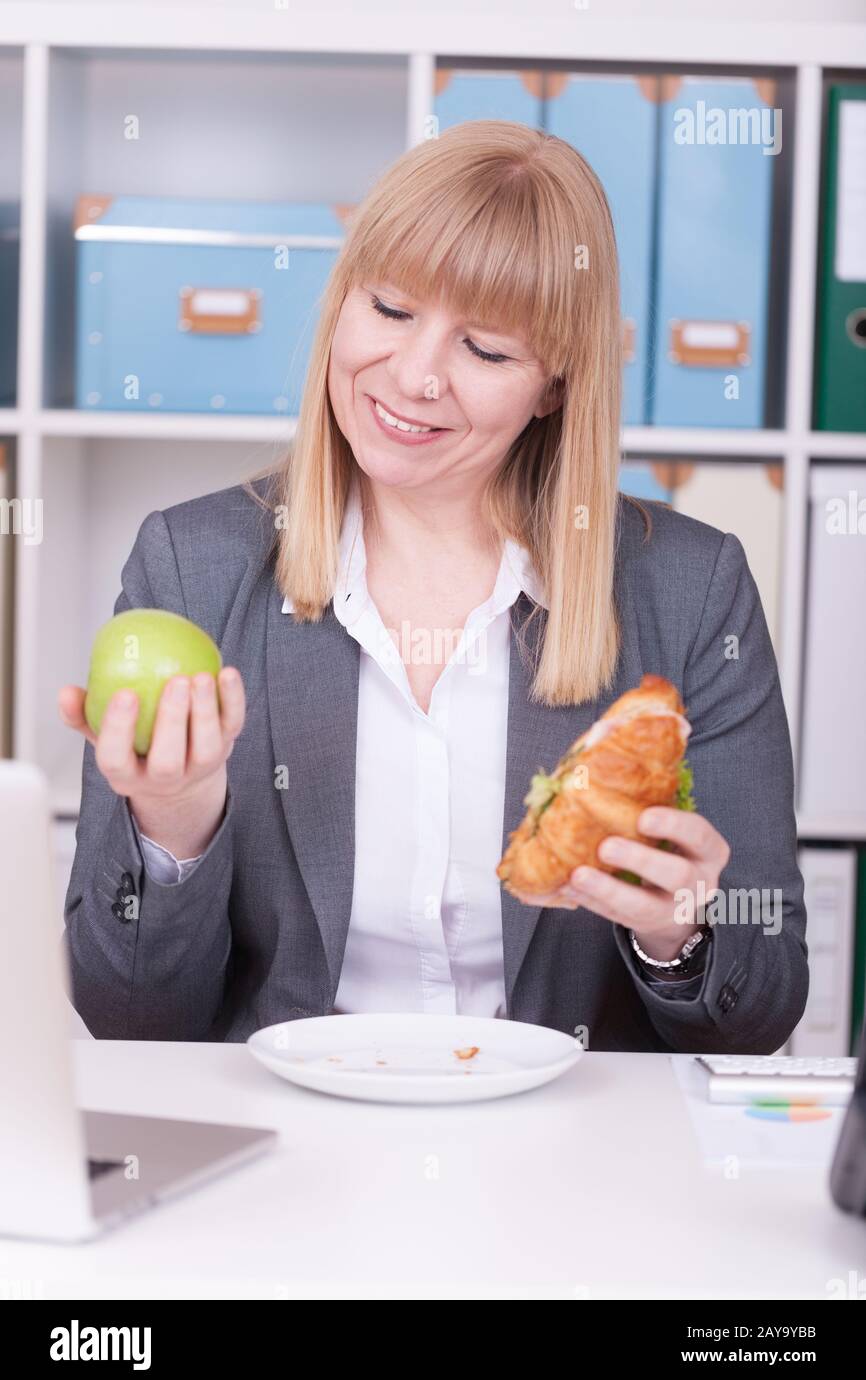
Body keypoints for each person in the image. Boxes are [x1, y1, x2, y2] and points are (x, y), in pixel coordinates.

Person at [59, 121, 808, 1048]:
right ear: (342, 303)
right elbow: (125, 1017)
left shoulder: (692, 590)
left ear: (554, 387)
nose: (415, 377)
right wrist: (174, 823)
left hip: (570, 1157)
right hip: (289, 1146)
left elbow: (763, 1010)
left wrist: (680, 932)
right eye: (390, 309)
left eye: (486, 352)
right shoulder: (189, 564)